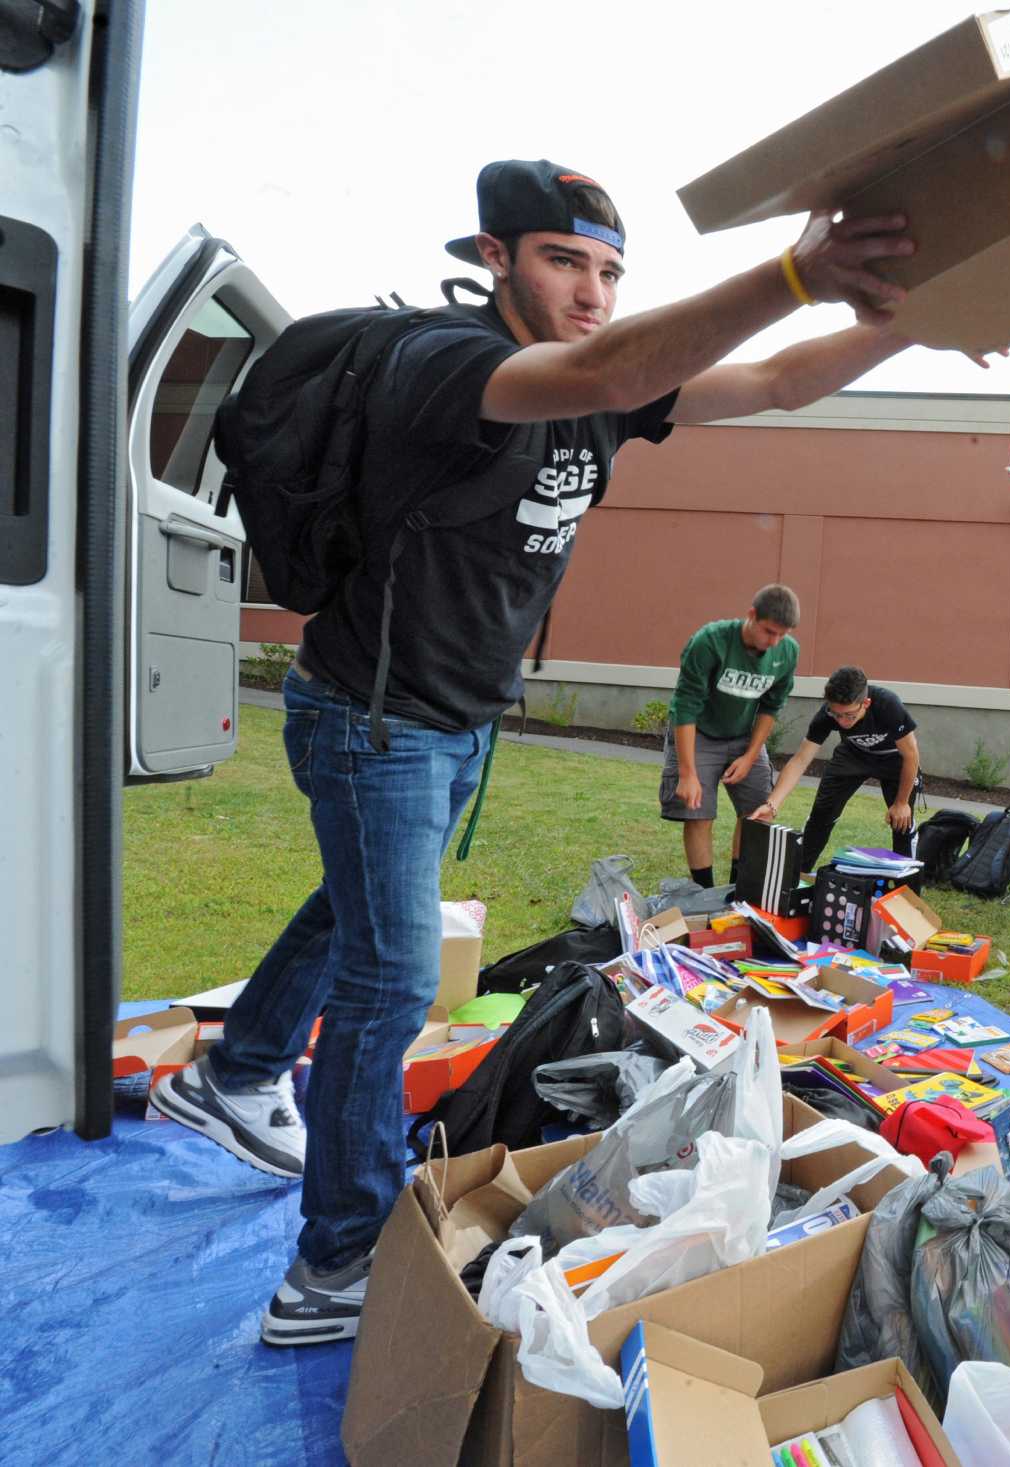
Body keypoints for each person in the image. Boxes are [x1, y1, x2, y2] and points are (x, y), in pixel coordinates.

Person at [149, 159, 921, 1345]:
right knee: (391, 977)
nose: (593, 291)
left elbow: (773, 376)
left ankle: (235, 1067)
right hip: (374, 718)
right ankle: (334, 1266)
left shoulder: (614, 388)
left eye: (611, 271)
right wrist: (795, 271)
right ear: (493, 256)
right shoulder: (448, 367)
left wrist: (895, 319)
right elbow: (606, 366)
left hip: (451, 719)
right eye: (565, 261)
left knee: (354, 908)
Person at [663, 585, 801, 888]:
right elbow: (685, 706)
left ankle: (739, 890)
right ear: (751, 616)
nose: (774, 642)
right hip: (698, 731)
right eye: (768, 632)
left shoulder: (787, 652)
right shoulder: (710, 642)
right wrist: (687, 773)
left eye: (782, 634)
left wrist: (751, 755)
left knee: (756, 813)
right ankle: (704, 891)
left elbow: (771, 706)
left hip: (743, 735)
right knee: (698, 812)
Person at [748, 666, 920, 871]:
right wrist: (772, 804)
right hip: (852, 755)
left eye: (849, 715)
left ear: (866, 703)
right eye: (836, 714)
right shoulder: (827, 715)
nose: (842, 721)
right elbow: (800, 760)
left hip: (894, 759)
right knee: (821, 817)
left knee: (901, 822)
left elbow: (911, 754)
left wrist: (901, 803)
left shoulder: (887, 704)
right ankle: (797, 877)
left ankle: (904, 885)